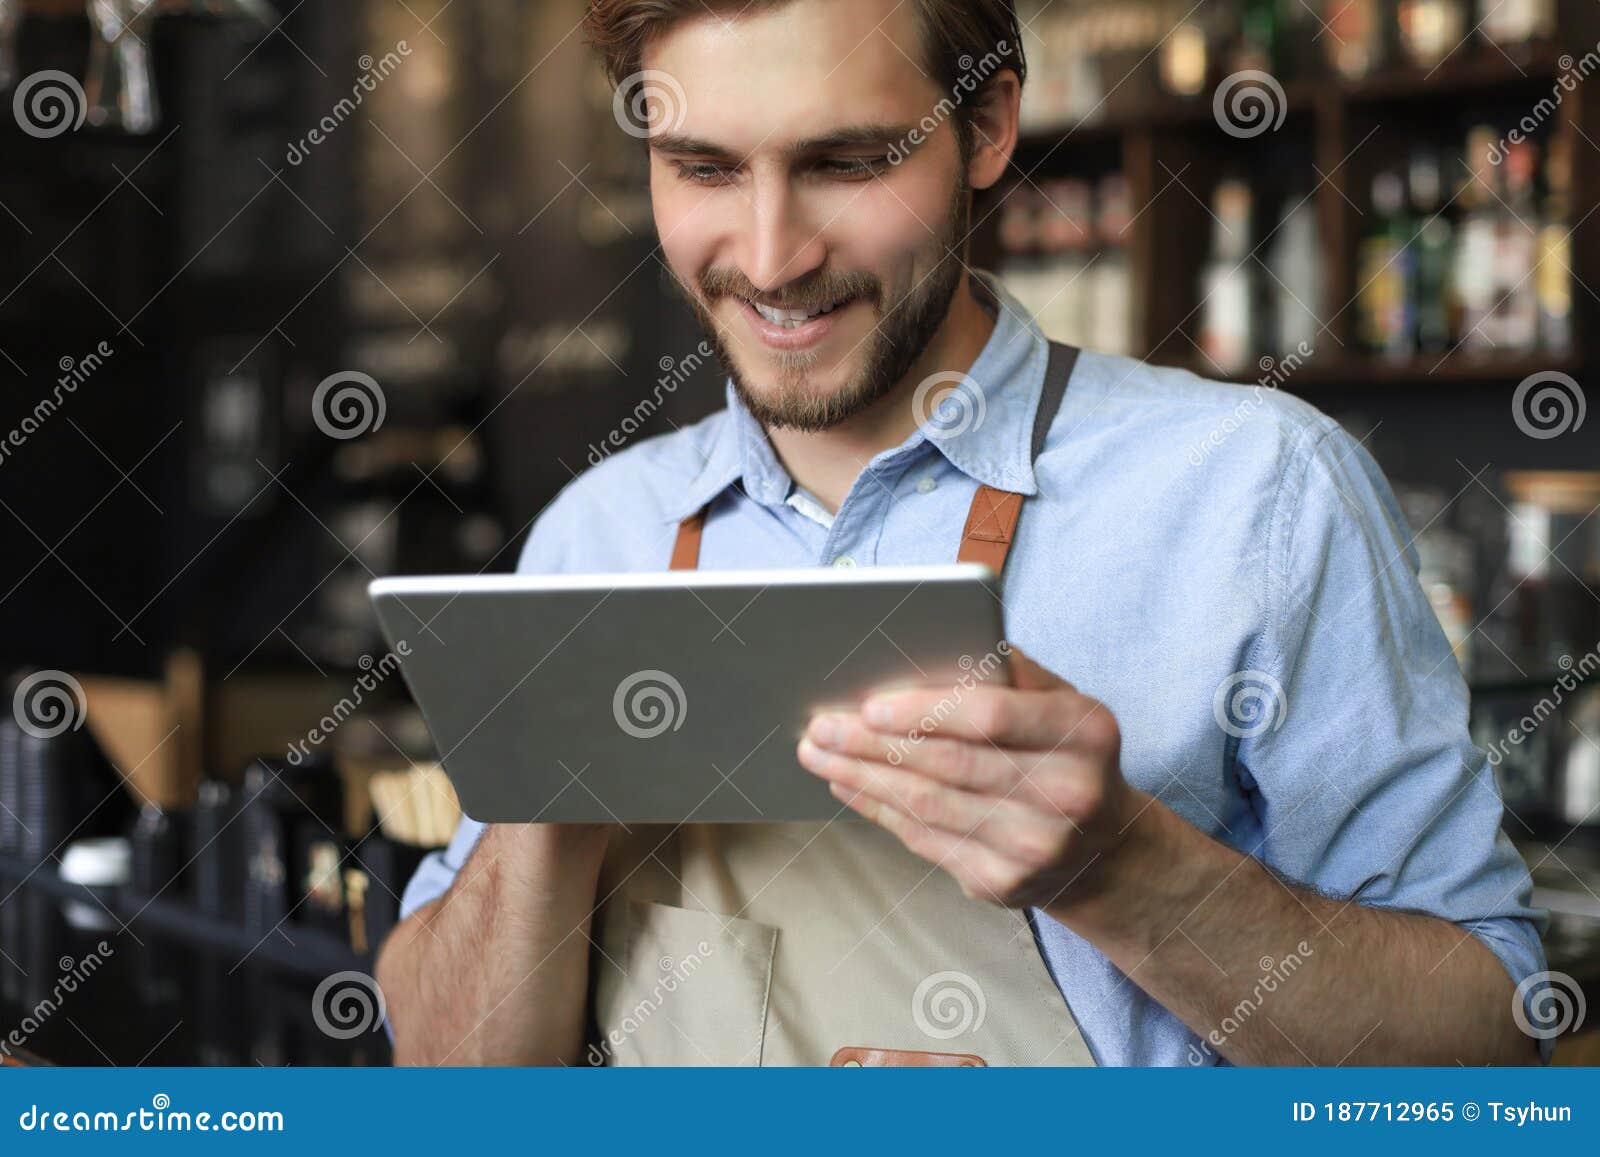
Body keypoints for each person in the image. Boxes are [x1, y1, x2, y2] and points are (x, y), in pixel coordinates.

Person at [377, 0, 1544, 1066]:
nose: (774, 255)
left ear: (984, 128)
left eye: (845, 162)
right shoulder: (602, 530)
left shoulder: (1257, 491)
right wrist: (541, 818)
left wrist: (1123, 869)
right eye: (704, 168)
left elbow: (1490, 1054)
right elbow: (447, 1081)